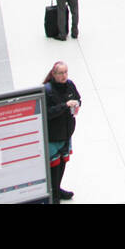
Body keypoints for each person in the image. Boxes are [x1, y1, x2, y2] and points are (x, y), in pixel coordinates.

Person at [44, 62, 82, 202]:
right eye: (60, 73)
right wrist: (65, 105)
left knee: (62, 164)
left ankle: (57, 189)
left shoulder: (70, 84)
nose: (64, 75)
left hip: (66, 133)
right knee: (53, 167)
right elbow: (47, 113)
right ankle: (53, 193)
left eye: (66, 72)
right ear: (53, 74)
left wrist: (77, 104)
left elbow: (78, 99)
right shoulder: (47, 90)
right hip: (53, 136)